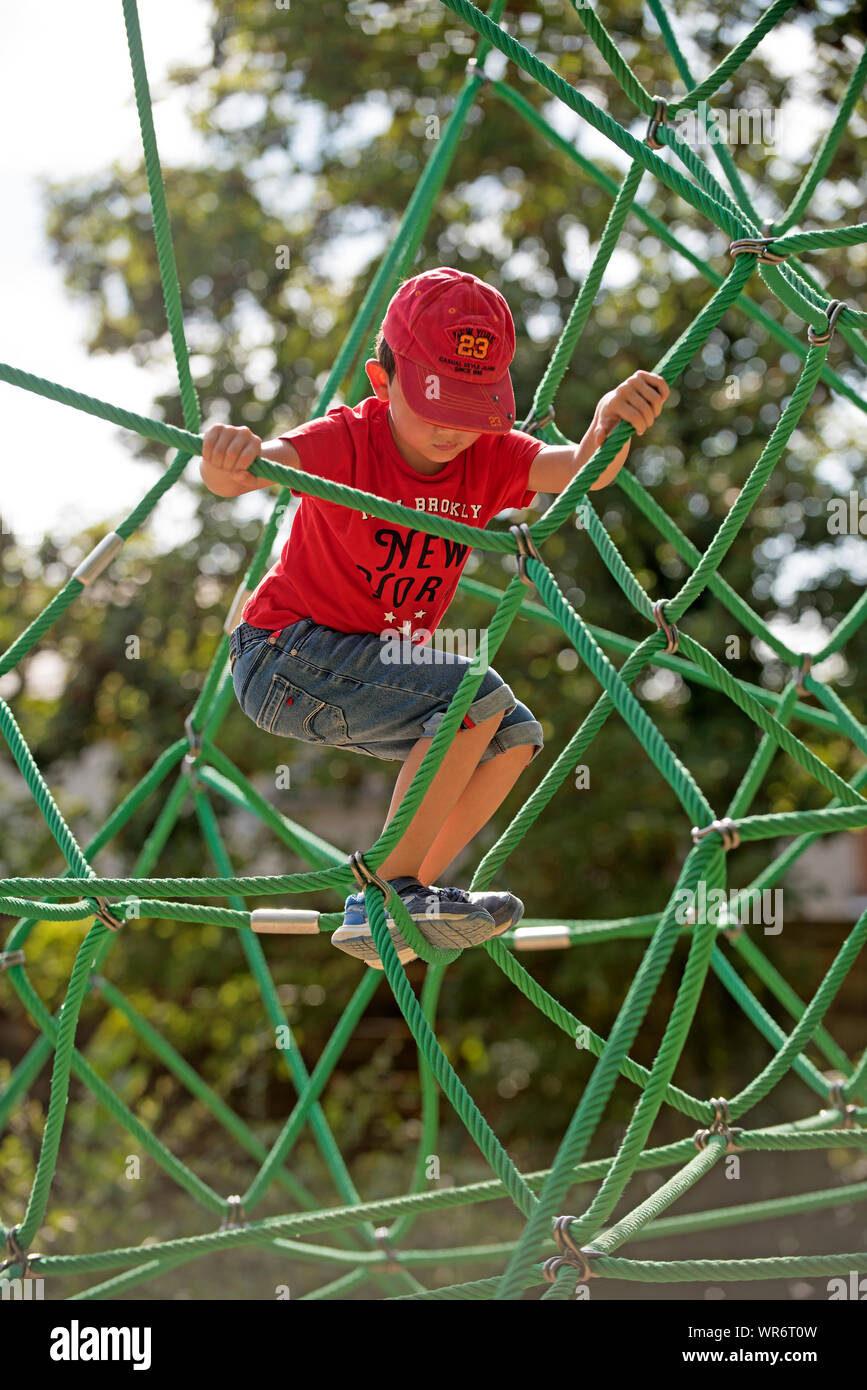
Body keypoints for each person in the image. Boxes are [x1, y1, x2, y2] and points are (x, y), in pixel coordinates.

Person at [200, 266, 668, 967]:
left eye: (471, 408)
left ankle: (399, 895)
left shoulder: (487, 459)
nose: (453, 429)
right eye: (435, 403)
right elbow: (252, 471)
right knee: (469, 697)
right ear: (381, 381)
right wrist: (227, 458)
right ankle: (388, 888)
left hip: (369, 667)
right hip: (282, 654)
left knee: (511, 734)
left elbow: (578, 470)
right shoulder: (347, 440)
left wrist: (607, 424)